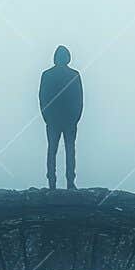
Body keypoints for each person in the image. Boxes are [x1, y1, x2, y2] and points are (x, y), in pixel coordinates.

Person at [39, 46, 83, 190]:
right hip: (65, 119)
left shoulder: (48, 74)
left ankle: (53, 182)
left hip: (55, 119)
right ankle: (69, 181)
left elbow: (42, 98)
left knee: (53, 149)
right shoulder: (74, 75)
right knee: (69, 149)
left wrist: (46, 116)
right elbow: (79, 99)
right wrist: (76, 117)